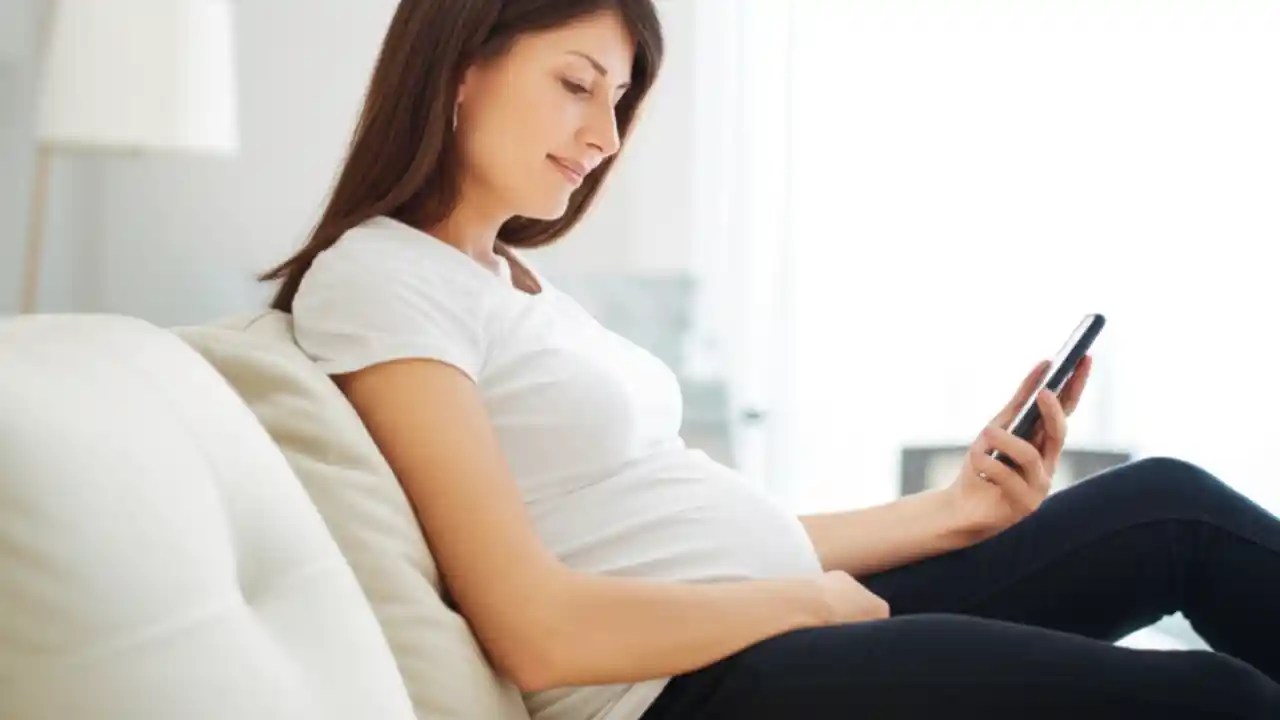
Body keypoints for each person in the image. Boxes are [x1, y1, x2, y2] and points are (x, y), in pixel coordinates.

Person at [259, 1, 1280, 718]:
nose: (602, 136)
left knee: (1164, 510)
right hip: (692, 688)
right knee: (1220, 698)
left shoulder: (504, 280)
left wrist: (951, 511)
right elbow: (535, 628)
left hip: (768, 627)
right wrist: (806, 601)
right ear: (458, 66)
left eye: (615, 99)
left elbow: (667, 528)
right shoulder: (384, 279)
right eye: (575, 85)